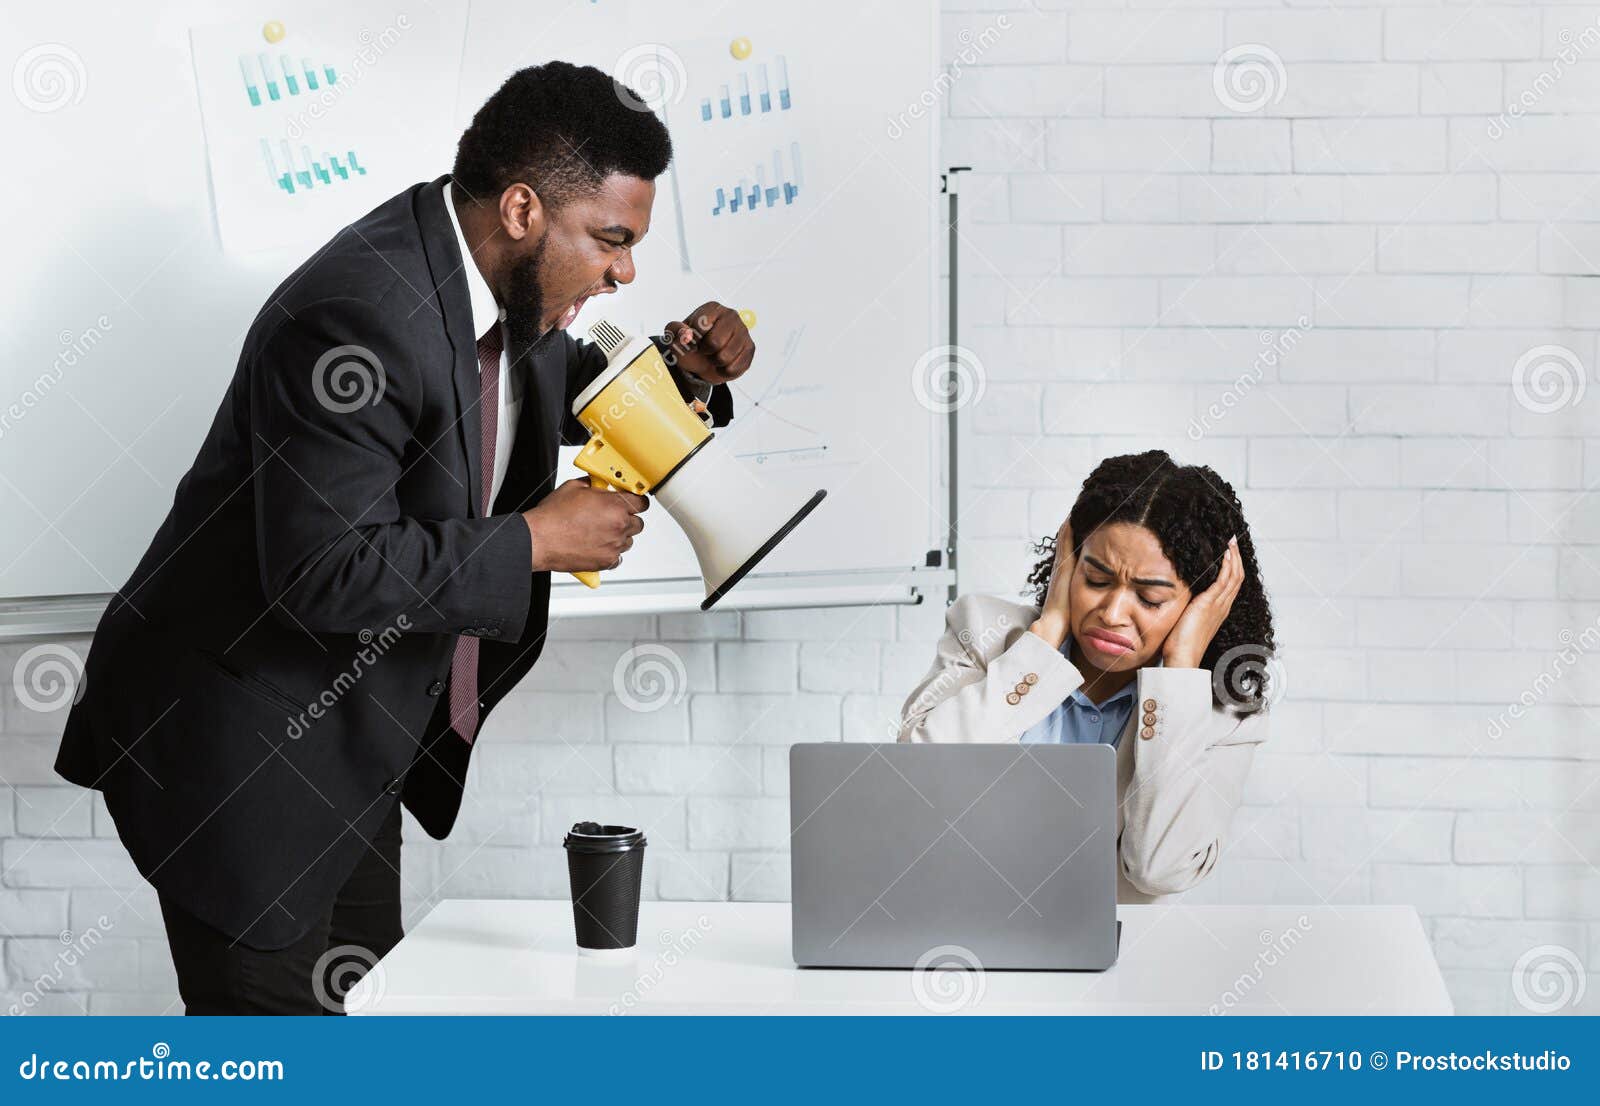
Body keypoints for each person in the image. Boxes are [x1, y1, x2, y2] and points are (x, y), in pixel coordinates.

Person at [53, 61, 755, 1013]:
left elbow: (551, 389)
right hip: (241, 758)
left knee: (363, 1024)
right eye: (611, 240)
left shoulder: (508, 283)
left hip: (350, 741)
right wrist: (533, 543)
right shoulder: (354, 316)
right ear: (522, 209)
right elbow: (321, 568)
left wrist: (689, 373)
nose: (624, 271)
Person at [897, 450, 1277, 899]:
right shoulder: (981, 631)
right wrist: (1045, 638)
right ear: (1069, 564)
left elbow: (1158, 871)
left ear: (1202, 606)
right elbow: (913, 779)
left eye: (1150, 599)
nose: (1112, 613)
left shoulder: (1226, 717)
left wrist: (1180, 669)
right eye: (1096, 580)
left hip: (1113, 941)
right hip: (956, 913)